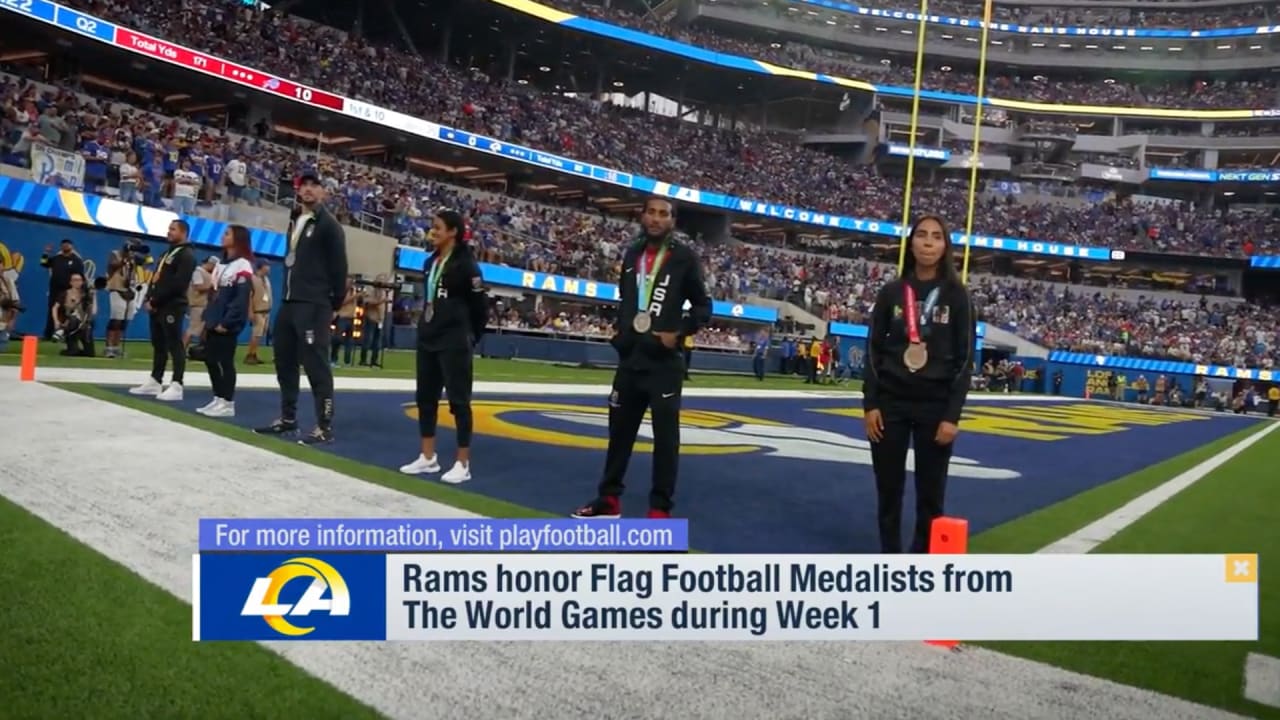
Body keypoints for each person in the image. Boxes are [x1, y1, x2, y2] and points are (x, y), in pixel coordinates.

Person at [572, 196, 711, 520]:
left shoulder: (684, 258)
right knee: (618, 435)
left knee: (665, 440)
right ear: (642, 215)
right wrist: (621, 333)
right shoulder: (633, 254)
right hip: (630, 361)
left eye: (664, 214)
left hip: (664, 365)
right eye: (651, 212)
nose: (656, 219)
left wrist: (678, 333)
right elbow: (627, 300)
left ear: (672, 221)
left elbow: (704, 308)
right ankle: (609, 500)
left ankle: (660, 508)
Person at [862, 215, 976, 554]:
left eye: (936, 237)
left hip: (935, 406)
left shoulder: (957, 296)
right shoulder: (892, 292)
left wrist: (952, 415)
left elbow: (965, 358)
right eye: (922, 235)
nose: (928, 242)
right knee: (888, 489)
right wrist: (870, 405)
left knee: (931, 492)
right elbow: (873, 351)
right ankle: (890, 557)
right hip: (891, 404)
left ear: (945, 246)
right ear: (911, 243)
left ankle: (921, 560)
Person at [254, 172, 349, 445]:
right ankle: (288, 419)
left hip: (314, 304)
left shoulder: (329, 225)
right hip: (289, 302)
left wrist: (333, 303)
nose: (307, 189)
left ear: (323, 193)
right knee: (284, 362)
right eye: (303, 185)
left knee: (316, 366)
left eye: (313, 185)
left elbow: (339, 267)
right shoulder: (295, 220)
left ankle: (324, 426)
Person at [399, 209, 489, 483]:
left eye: (438, 227)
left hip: (454, 340)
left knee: (459, 402)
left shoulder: (467, 266)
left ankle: (463, 463)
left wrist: (471, 336)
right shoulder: (429, 262)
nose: (433, 231)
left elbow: (480, 308)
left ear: (453, 232)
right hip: (428, 337)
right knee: (425, 399)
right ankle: (428, 457)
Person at [129, 220, 196, 402]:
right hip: (157, 305)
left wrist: (157, 299)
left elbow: (178, 283)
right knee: (158, 344)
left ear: (183, 232)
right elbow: (156, 278)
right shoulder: (167, 253)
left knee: (175, 344)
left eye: (173, 229)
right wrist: (149, 297)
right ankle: (155, 380)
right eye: (169, 229)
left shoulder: (187, 255)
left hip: (172, 305)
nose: (169, 232)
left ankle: (177, 384)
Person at [197, 225, 255, 418]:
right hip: (214, 318)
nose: (223, 236)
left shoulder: (243, 265)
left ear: (238, 238)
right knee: (210, 359)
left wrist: (228, 321)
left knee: (225, 361)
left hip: (228, 322)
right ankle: (218, 397)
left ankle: (228, 402)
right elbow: (213, 294)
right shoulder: (221, 264)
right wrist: (208, 319)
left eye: (227, 234)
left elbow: (241, 297)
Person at [50, 272, 95, 357]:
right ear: (70, 282)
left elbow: (94, 312)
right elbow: (55, 307)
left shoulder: (86, 295)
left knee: (90, 354)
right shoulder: (65, 293)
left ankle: (79, 350)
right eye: (75, 280)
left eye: (79, 280)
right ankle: (68, 343)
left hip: (84, 325)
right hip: (71, 324)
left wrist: (94, 295)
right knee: (72, 352)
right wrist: (56, 321)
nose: (77, 282)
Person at [244, 260, 272, 365]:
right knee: (256, 334)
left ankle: (254, 354)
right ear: (261, 267)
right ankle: (250, 355)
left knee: (260, 334)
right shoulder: (252, 279)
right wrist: (250, 311)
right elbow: (249, 297)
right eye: (267, 266)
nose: (269, 268)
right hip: (257, 311)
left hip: (266, 310)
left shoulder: (266, 279)